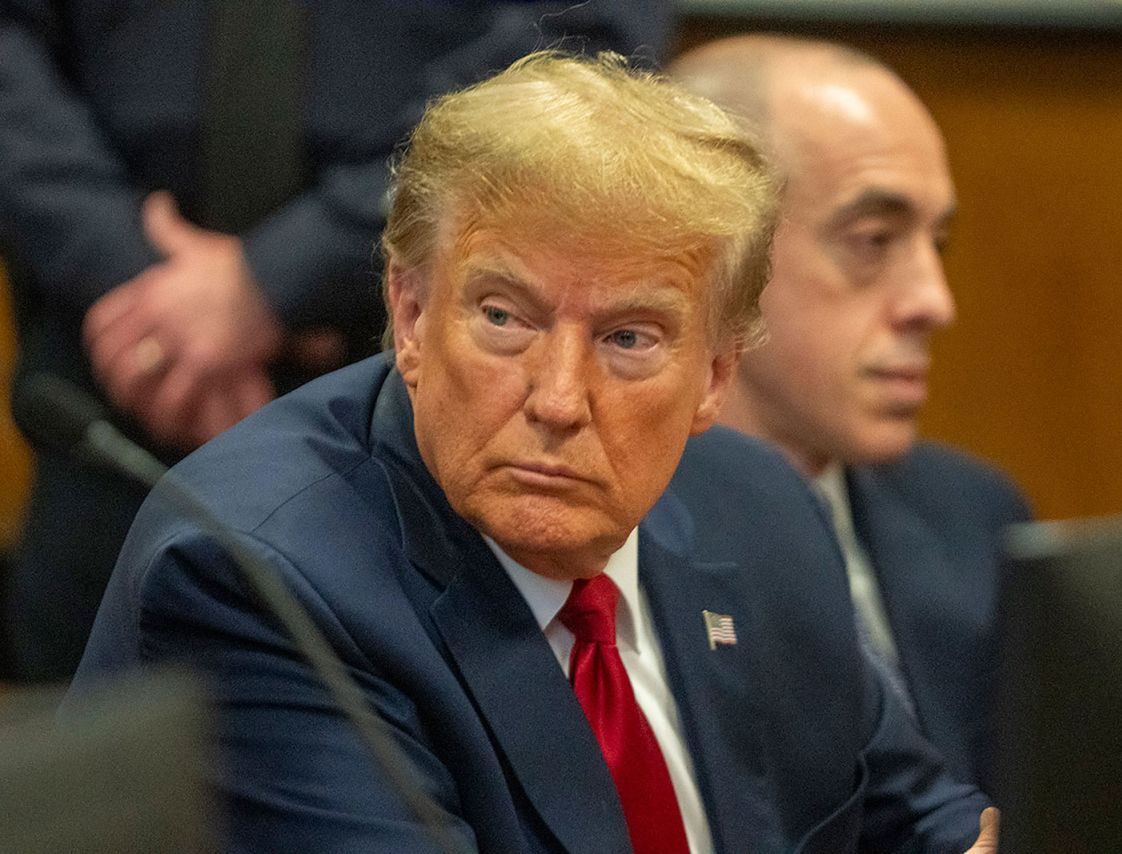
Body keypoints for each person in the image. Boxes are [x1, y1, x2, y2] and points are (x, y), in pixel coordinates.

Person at [68, 51, 999, 853]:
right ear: (412, 316)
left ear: (716, 375)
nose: (558, 400)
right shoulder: (260, 582)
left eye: (630, 339)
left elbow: (930, 826)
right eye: (505, 318)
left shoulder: (758, 511)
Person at [0, 0, 673, 680]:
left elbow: (581, 39)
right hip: (114, 382)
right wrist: (123, 267)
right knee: (89, 758)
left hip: (425, 385)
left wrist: (279, 276)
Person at [670, 35, 1032, 787]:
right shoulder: (595, 545)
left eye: (938, 243)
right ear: (712, 255)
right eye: (873, 240)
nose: (935, 302)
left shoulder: (976, 518)